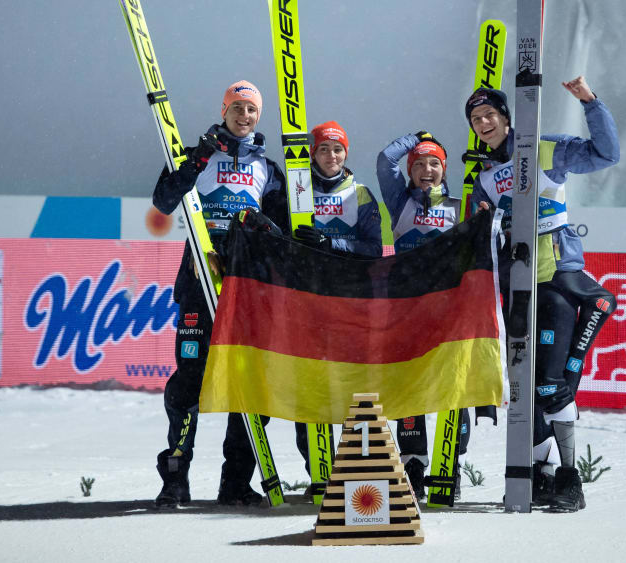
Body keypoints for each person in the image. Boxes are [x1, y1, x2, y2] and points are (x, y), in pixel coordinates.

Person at [465, 76, 619, 512]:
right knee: (523, 388)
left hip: (556, 282)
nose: (484, 123)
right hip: (516, 288)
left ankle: (572, 480)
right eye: (476, 119)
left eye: (490, 115)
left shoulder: (544, 149)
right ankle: (544, 478)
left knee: (551, 385)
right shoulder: (486, 177)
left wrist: (591, 102)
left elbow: (608, 154)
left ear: (507, 118)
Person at [151, 80, 288, 509]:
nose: (244, 116)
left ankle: (235, 483)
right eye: (237, 108)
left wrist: (263, 233)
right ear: (224, 109)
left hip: (244, 290)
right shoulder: (194, 155)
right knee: (187, 386)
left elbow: (283, 232)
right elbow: (163, 201)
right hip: (198, 285)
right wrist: (199, 159)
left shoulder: (268, 168)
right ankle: (175, 479)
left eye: (252, 110)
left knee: (250, 386)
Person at [376, 131, 477, 500]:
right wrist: (415, 138)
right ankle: (413, 464)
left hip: (449, 310)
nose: (427, 170)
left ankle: (452, 463)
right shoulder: (399, 202)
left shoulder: (458, 203)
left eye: (434, 162)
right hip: (407, 309)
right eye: (419, 164)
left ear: (444, 169)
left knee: (454, 387)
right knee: (410, 388)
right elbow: (384, 160)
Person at [292, 120, 383, 491]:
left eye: (338, 149)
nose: (332, 156)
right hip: (308, 297)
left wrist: (331, 245)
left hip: (349, 300)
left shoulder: (360, 194)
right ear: (313, 152)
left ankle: (355, 468)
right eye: (325, 149)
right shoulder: (298, 191)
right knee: (310, 386)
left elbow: (374, 251)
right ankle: (320, 471)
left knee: (351, 386)